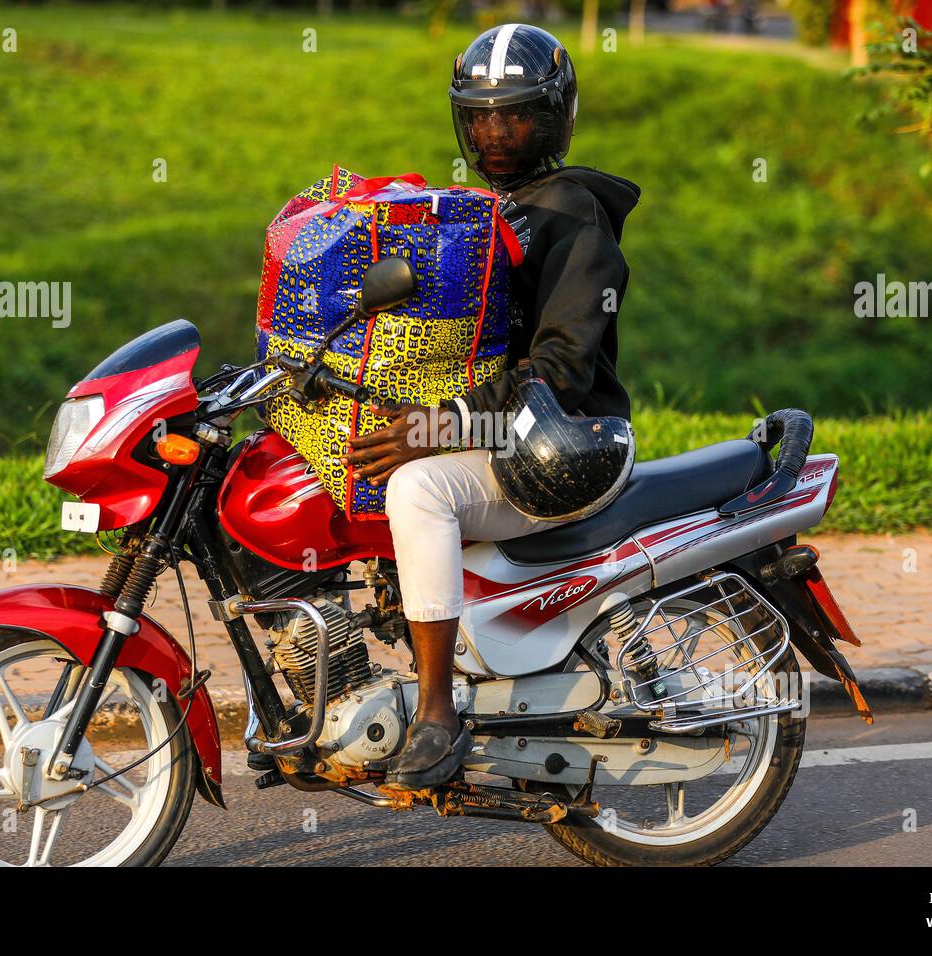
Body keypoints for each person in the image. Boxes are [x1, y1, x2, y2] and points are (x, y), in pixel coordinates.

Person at [342, 23, 642, 790]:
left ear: (556, 118)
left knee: (416, 485)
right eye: (478, 115)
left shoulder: (576, 215)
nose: (495, 132)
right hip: (502, 442)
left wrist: (436, 425)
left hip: (567, 447)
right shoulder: (481, 210)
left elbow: (561, 373)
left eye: (517, 115)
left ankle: (438, 713)